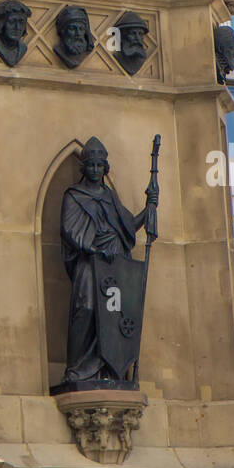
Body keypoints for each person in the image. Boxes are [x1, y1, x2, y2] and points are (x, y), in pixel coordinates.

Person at [60, 137, 157, 384]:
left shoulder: (110, 197)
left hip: (113, 264)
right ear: (84, 168)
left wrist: (149, 210)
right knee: (87, 308)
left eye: (99, 166)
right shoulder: (73, 196)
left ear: (105, 168)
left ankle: (108, 370)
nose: (95, 170)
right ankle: (78, 369)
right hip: (89, 263)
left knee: (111, 315)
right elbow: (69, 229)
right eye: (91, 166)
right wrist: (92, 248)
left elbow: (127, 227)